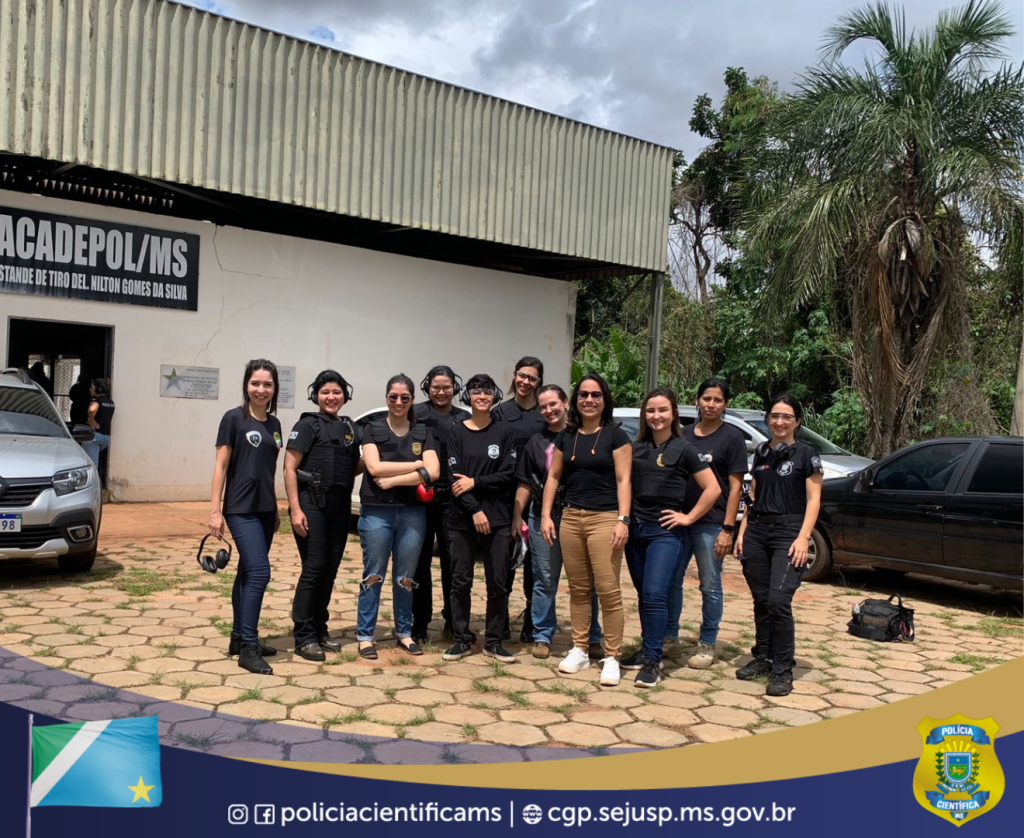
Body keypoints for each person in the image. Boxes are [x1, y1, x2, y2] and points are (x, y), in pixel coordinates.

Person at [623, 388, 720, 687]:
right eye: (650, 410)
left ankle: (653, 661)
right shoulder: (636, 447)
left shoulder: (685, 448)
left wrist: (688, 517)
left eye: (662, 410)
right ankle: (647, 648)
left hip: (666, 533)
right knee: (644, 595)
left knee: (655, 594)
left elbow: (713, 489)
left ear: (674, 413)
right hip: (635, 531)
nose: (656, 416)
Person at [541, 373, 631, 687]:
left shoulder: (616, 437)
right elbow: (553, 477)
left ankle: (612, 656)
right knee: (578, 589)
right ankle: (580, 649)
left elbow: (624, 480)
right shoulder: (567, 436)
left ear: (604, 399)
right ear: (575, 400)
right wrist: (545, 514)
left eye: (595, 395)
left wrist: (623, 519)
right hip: (570, 518)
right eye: (583, 395)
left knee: (608, 590)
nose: (588, 400)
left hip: (605, 519)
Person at [735, 394, 823, 697]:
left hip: (789, 532)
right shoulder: (761, 453)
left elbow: (814, 500)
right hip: (757, 531)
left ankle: (782, 669)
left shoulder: (807, 454)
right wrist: (742, 533)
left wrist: (803, 537)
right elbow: (753, 497)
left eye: (787, 417)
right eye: (774, 416)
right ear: (767, 420)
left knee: (778, 600)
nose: (780, 422)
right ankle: (764, 656)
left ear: (797, 421)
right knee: (761, 599)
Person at [512, 384, 603, 660]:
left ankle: (592, 636)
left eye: (553, 403)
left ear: (565, 403)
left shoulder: (584, 435)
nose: (549, 410)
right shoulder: (536, 442)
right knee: (545, 579)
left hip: (579, 515)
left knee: (587, 582)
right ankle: (542, 635)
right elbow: (526, 481)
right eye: (543, 406)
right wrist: (517, 515)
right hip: (543, 516)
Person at [665, 377, 748, 669]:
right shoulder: (683, 434)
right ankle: (669, 638)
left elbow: (735, 487)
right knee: (671, 582)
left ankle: (707, 643)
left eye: (718, 400)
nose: (711, 404)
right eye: (707, 398)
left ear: (725, 404)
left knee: (710, 585)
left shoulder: (732, 438)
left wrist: (728, 529)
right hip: (679, 520)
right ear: (697, 399)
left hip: (712, 524)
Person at [357, 374, 440, 659]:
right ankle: (365, 636)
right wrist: (416, 466)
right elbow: (373, 467)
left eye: (405, 397)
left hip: (412, 514)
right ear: (386, 398)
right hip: (376, 513)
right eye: (393, 396)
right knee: (374, 575)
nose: (399, 402)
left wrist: (394, 481)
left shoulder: (423, 432)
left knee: (406, 577)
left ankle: (404, 633)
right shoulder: (372, 429)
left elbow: (435, 472)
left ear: (412, 399)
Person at [210, 359, 283, 675]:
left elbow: (269, 470)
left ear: (274, 388)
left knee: (245, 573)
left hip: (266, 510)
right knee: (259, 573)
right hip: (240, 509)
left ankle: (239, 637)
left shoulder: (275, 424)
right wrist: (215, 510)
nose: (261, 389)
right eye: (256, 383)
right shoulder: (232, 419)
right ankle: (249, 648)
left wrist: (277, 508)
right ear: (246, 385)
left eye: (267, 384)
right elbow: (220, 466)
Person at [284, 370, 361, 661]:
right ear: (316, 395)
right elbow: (289, 467)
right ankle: (303, 635)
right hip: (311, 503)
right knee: (314, 568)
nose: (331, 397)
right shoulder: (307, 425)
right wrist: (295, 508)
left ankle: (319, 628)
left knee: (329, 570)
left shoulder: (350, 428)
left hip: (340, 506)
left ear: (345, 395)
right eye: (325, 392)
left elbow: (352, 465)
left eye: (337, 392)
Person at [443, 374, 519, 662]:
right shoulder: (456, 431)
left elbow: (508, 474)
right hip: (462, 517)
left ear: (495, 395)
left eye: (487, 391)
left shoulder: (504, 431)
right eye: (476, 391)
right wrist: (475, 509)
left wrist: (476, 483)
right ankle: (462, 638)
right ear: (468, 396)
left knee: (498, 581)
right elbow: (454, 478)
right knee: (460, 581)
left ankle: (494, 640)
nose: (482, 396)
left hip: (498, 518)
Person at [411, 365, 470, 642]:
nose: (442, 391)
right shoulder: (416, 414)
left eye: (447, 386)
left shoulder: (464, 418)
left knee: (453, 563)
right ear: (427, 387)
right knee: (419, 562)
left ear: (455, 388)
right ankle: (420, 622)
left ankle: (453, 621)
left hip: (453, 500)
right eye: (436, 387)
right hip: (421, 498)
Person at [492, 356, 547, 642]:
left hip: (539, 497)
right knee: (504, 561)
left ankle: (531, 620)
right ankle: (499, 621)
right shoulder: (500, 412)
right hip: (506, 497)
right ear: (514, 376)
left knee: (536, 566)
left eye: (533, 378)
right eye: (522, 376)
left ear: (539, 382)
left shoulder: (545, 414)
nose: (526, 382)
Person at [83, 378, 115, 471]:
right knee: (95, 461)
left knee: (91, 465)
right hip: (106, 437)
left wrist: (91, 420)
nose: (90, 389)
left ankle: (93, 483)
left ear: (98, 389)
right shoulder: (110, 402)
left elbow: (92, 409)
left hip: (94, 437)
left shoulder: (96, 401)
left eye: (92, 387)